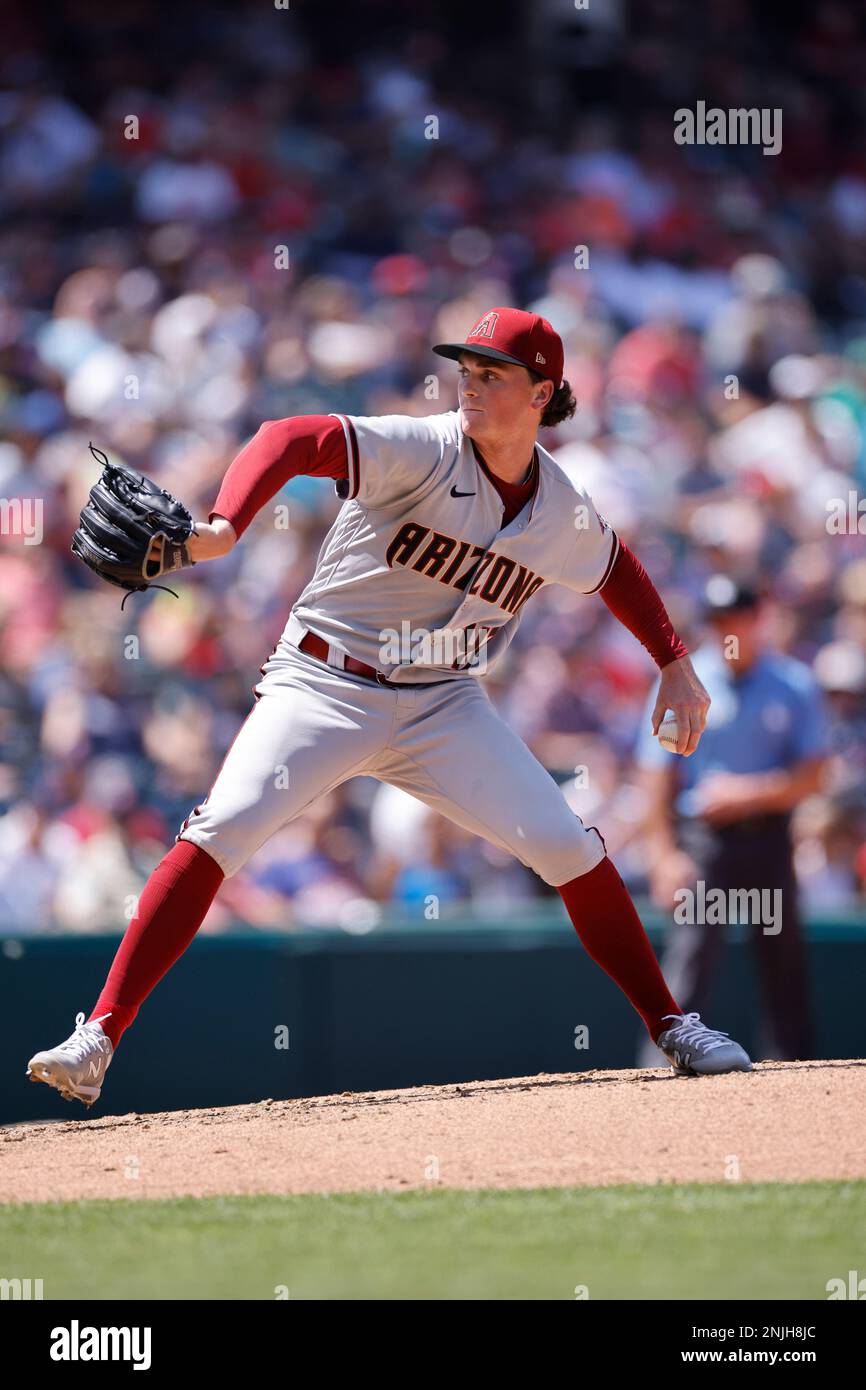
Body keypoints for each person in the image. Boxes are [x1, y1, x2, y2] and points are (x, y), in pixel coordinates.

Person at [26, 307, 752, 1107]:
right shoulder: (426, 448)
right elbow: (290, 437)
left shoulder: (560, 506)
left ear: (542, 393)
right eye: (465, 371)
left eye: (491, 375)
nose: (468, 386)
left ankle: (672, 1025)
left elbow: (616, 567)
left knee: (567, 845)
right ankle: (98, 1034)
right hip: (325, 683)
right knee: (220, 830)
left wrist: (675, 663)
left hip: (444, 700)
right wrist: (226, 527)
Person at [634, 575, 831, 1066]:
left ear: (758, 618)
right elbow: (655, 776)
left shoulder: (793, 683)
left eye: (737, 617)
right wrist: (662, 856)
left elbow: (815, 775)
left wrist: (746, 795)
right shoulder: (685, 682)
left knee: (784, 965)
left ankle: (798, 1076)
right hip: (705, 844)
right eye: (719, 620)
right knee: (690, 960)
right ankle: (660, 1071)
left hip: (769, 839)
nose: (729, 629)